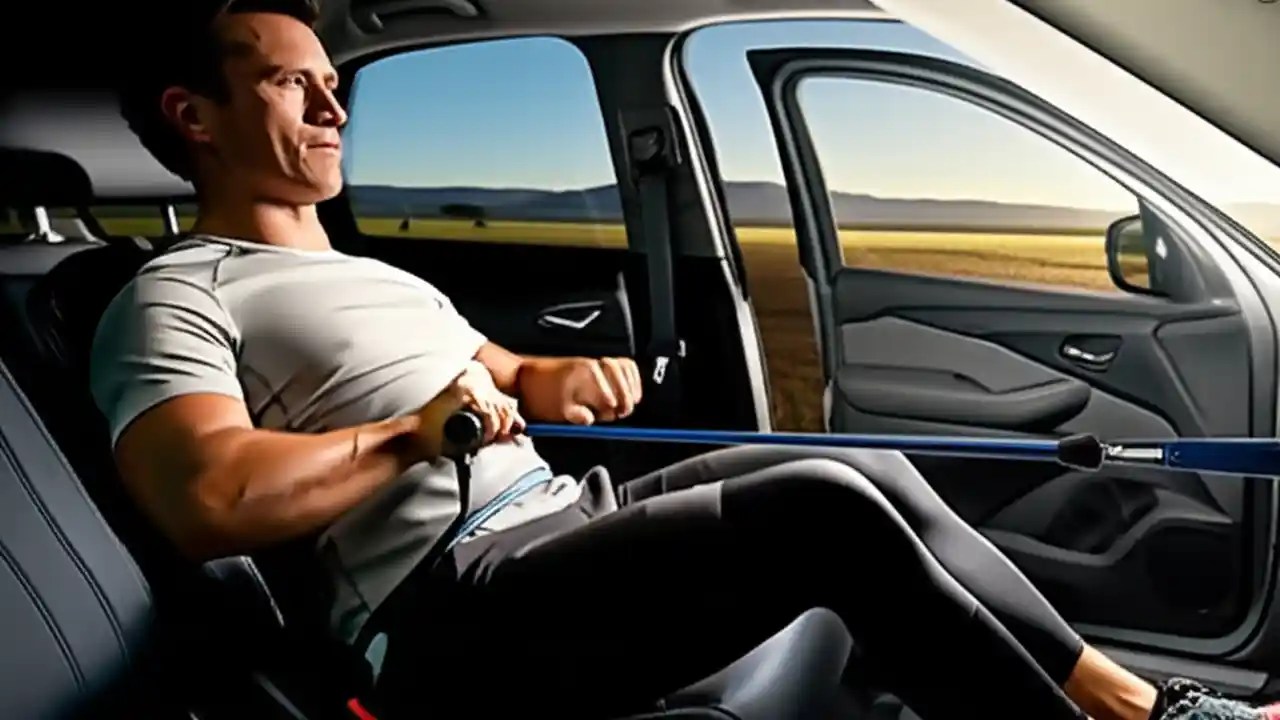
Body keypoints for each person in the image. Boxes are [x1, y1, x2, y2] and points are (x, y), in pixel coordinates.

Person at [90, 2, 1278, 719]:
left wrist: (537, 379)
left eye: (333, 81)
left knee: (869, 469)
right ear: (196, 116)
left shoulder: (367, 272)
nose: (332, 102)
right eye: (291, 80)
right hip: (445, 612)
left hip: (547, 514)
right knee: (820, 511)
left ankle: (1141, 700)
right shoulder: (176, 294)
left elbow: (476, 370)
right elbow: (207, 501)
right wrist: (414, 434)